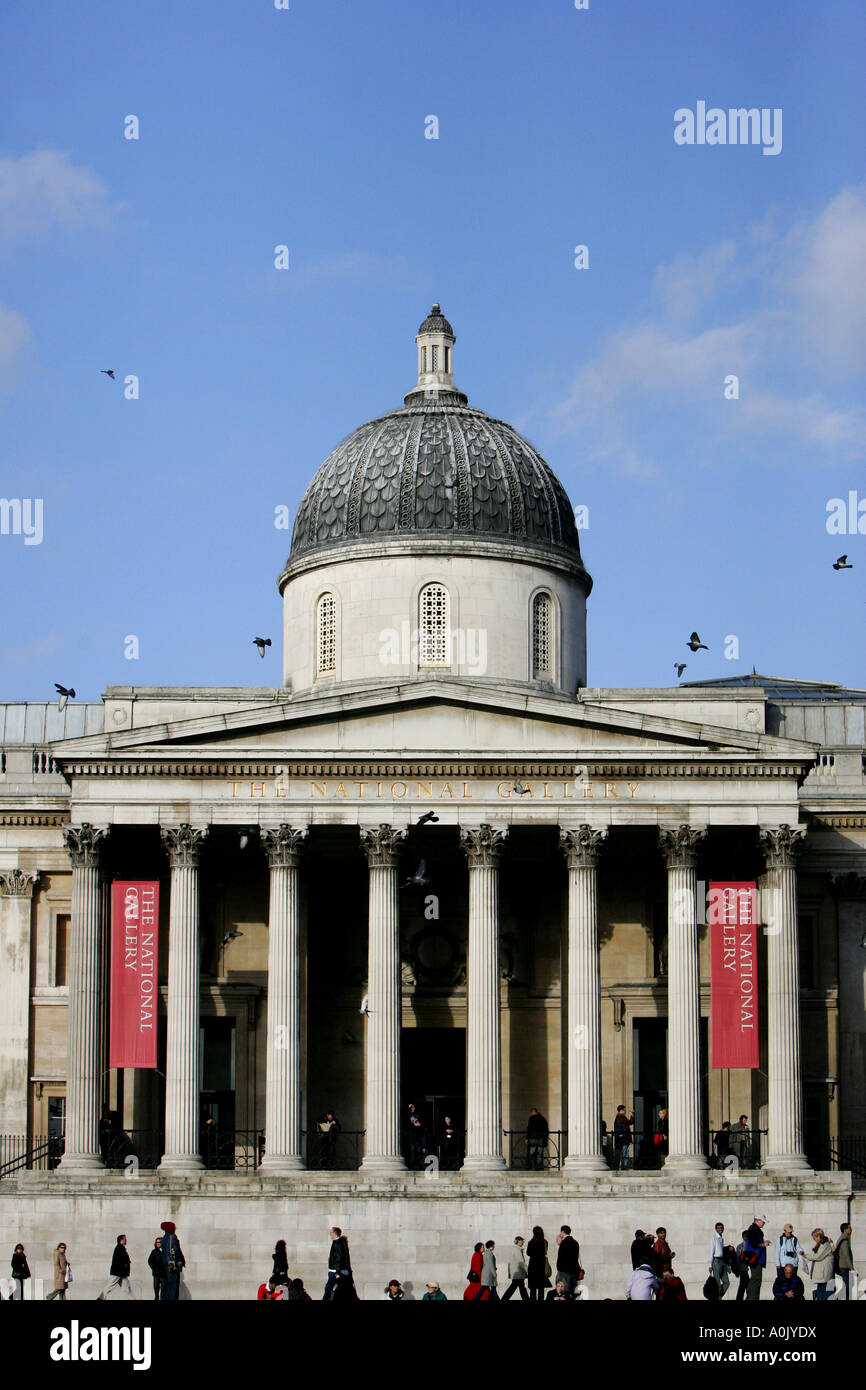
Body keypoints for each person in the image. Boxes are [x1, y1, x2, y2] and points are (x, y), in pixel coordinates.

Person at [98, 1235, 134, 1300]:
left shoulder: (120, 1248)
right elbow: (120, 1261)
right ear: (121, 1240)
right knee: (110, 1286)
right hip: (118, 1273)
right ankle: (100, 1298)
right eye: (125, 1239)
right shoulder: (119, 1248)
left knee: (126, 1288)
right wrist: (125, 1265)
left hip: (121, 1273)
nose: (126, 1240)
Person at [744, 1215, 769, 1301]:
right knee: (756, 1281)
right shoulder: (753, 1230)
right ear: (758, 1220)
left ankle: (751, 1297)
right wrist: (763, 1244)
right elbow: (753, 1243)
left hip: (757, 1259)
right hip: (755, 1259)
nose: (764, 1223)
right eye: (763, 1221)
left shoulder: (754, 1229)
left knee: (755, 1280)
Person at [804, 1229, 834, 1301]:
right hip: (822, 1276)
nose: (814, 1239)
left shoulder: (825, 1245)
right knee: (820, 1292)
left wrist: (807, 1256)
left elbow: (818, 1256)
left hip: (825, 1275)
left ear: (818, 1236)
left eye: (814, 1237)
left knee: (825, 1294)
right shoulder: (821, 1244)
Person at [323, 1225, 351, 1300]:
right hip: (336, 1271)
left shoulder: (338, 1243)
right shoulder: (337, 1242)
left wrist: (337, 1273)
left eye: (331, 1232)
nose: (330, 1234)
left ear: (334, 1233)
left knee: (328, 1289)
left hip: (335, 1271)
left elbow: (338, 1258)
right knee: (331, 1288)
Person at [160, 1220, 185, 1301]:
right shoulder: (172, 1237)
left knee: (168, 1286)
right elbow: (176, 1250)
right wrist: (181, 1260)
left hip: (166, 1265)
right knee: (174, 1286)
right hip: (173, 1265)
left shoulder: (164, 1238)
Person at [526, 1225, 551, 1303]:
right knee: (541, 1289)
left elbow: (528, 1253)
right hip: (541, 1267)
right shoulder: (544, 1242)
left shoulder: (531, 1242)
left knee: (533, 1289)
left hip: (533, 1267)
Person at [555, 1225, 581, 1295]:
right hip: (574, 1270)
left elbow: (561, 1257)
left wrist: (559, 1243)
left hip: (565, 1271)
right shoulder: (575, 1242)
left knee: (565, 1292)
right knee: (574, 1291)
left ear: (563, 1232)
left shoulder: (564, 1243)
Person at [502, 1235, 529, 1301]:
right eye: (522, 1241)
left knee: (519, 1288)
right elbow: (521, 1262)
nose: (523, 1242)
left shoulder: (515, 1249)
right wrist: (527, 1270)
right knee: (517, 1288)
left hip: (516, 1273)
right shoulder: (517, 1250)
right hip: (518, 1273)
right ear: (518, 1241)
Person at [834, 1223, 854, 1300]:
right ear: (845, 1230)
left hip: (843, 1266)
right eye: (850, 1228)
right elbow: (846, 1256)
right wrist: (851, 1268)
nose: (851, 1230)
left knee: (846, 1285)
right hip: (845, 1266)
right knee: (847, 1286)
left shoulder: (842, 1238)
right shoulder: (844, 1240)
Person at [613, 1105, 634, 1170]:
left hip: (621, 1139)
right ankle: (623, 1168)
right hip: (624, 1139)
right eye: (624, 1109)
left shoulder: (619, 1117)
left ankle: (621, 1167)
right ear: (621, 1110)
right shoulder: (621, 1117)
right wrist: (632, 1114)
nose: (625, 1111)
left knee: (622, 1154)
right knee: (624, 1154)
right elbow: (630, 1122)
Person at [406, 1102, 426, 1168]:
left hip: (418, 1135)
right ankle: (411, 1164)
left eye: (413, 1107)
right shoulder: (408, 1115)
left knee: (419, 1149)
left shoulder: (417, 1115)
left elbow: (421, 1123)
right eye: (411, 1107)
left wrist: (419, 1124)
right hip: (411, 1135)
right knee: (412, 1149)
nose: (413, 1108)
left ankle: (419, 1164)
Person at [734, 1230, 751, 1301]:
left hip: (746, 1268)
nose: (746, 1238)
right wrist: (737, 1270)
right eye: (745, 1237)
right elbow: (737, 1259)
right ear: (743, 1237)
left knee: (744, 1285)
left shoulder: (749, 1246)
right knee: (745, 1285)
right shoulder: (740, 1247)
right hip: (742, 1269)